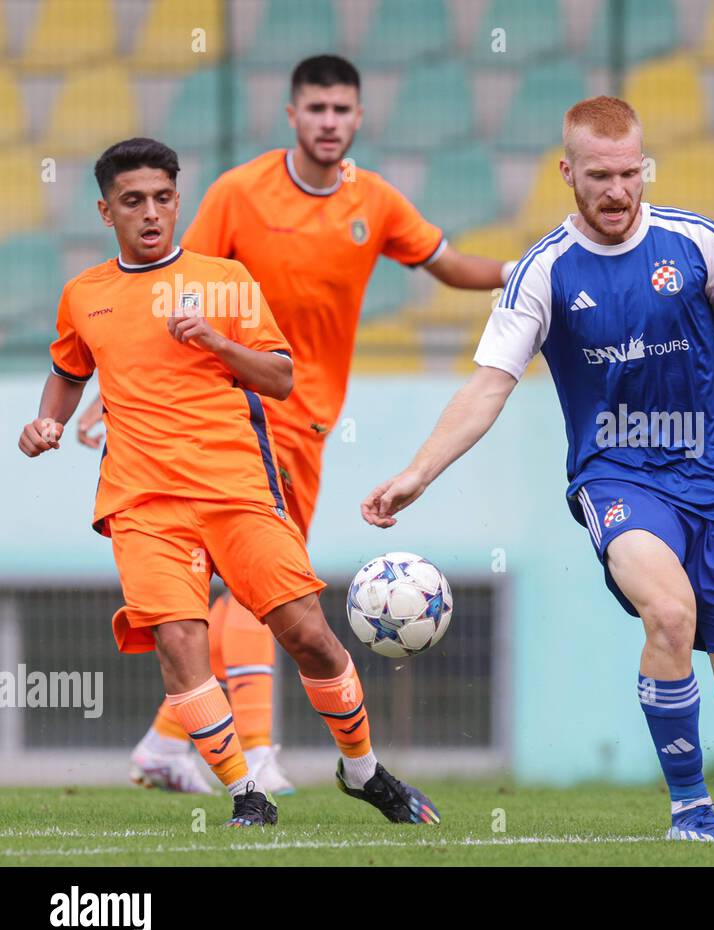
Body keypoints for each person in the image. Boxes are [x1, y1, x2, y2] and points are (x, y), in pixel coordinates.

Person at [360, 96, 714, 841]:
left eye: (632, 173)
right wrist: (419, 471)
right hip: (617, 479)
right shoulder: (543, 271)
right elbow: (489, 384)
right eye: (600, 175)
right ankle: (692, 812)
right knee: (668, 613)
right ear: (567, 171)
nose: (618, 191)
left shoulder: (701, 244)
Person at [73, 55, 512, 796]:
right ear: (292, 116)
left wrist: (535, 268)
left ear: (360, 118)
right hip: (237, 417)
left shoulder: (377, 202)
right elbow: (164, 286)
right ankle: (258, 750)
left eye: (342, 110)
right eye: (317, 110)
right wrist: (101, 394)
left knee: (240, 594)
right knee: (262, 596)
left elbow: (450, 264)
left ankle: (160, 744)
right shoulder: (240, 192)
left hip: (306, 418)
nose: (330, 123)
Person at [19, 137, 440, 827]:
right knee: (179, 642)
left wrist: (215, 341)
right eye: (133, 202)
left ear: (179, 201)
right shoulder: (84, 294)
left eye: (162, 198)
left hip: (236, 489)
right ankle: (248, 792)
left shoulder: (226, 282)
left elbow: (279, 377)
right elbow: (69, 373)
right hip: (142, 502)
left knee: (306, 632)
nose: (150, 213)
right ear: (106, 212)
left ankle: (363, 771)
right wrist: (46, 424)